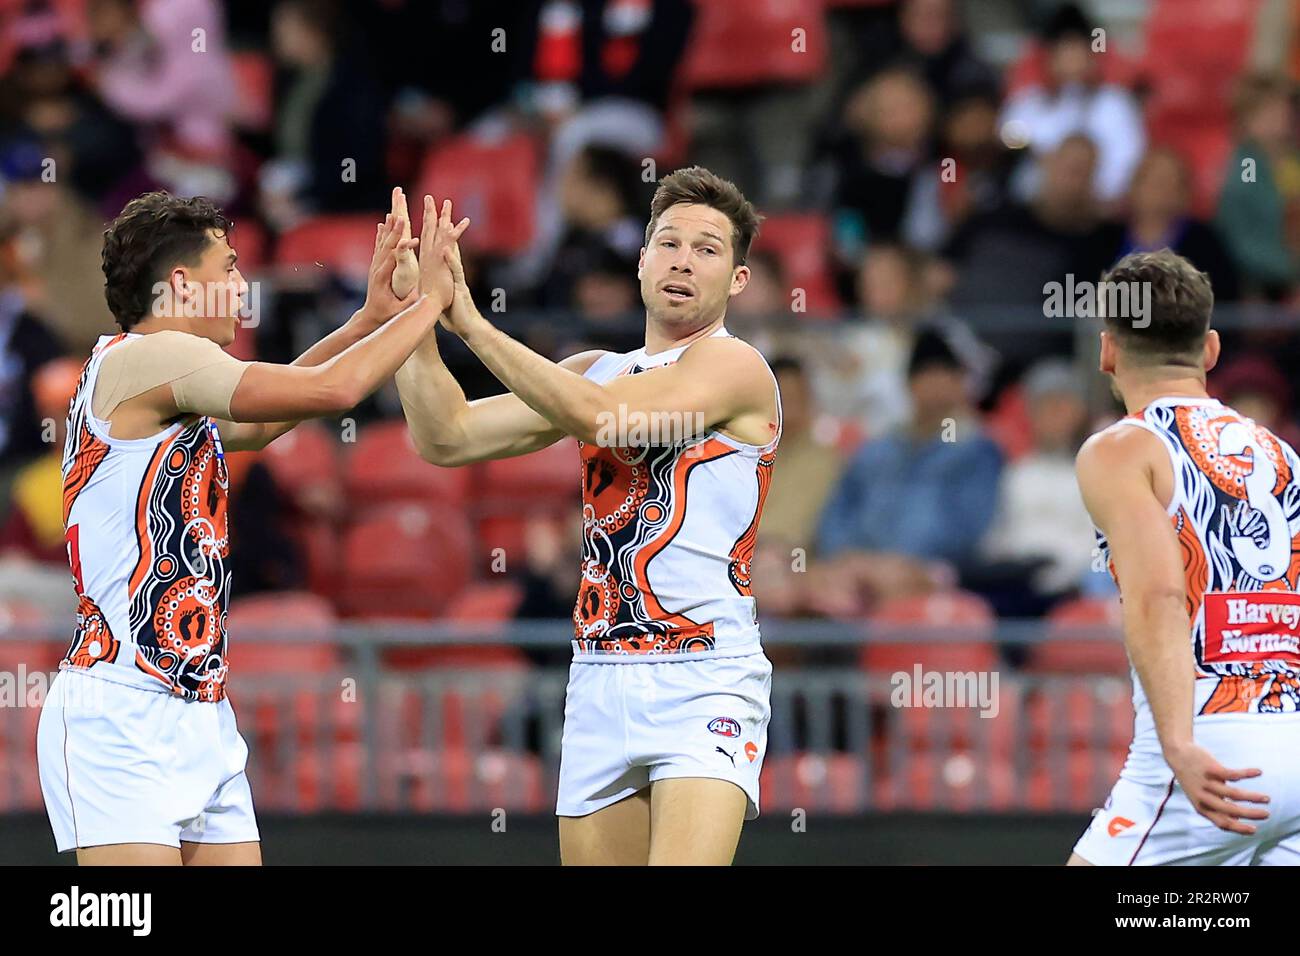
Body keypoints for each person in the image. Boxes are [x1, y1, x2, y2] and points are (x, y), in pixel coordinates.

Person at [35, 187, 465, 865]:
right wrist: (431, 304)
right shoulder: (149, 358)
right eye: (229, 267)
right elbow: (334, 392)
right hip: (122, 708)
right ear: (180, 283)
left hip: (199, 709)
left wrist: (367, 322)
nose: (243, 286)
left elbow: (264, 419)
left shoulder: (169, 379)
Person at [395, 166, 781, 866]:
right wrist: (415, 318)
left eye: (707, 248)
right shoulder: (596, 367)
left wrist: (473, 324)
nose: (683, 261)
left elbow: (609, 420)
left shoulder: (737, 367)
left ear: (738, 280)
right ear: (641, 262)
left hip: (704, 673)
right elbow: (443, 435)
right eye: (668, 243)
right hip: (601, 673)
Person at [1070, 249, 1300, 866]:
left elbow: (1159, 594)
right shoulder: (1281, 455)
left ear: (1107, 351)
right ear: (1211, 350)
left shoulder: (1120, 450)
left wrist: (1176, 744)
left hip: (1208, 750)